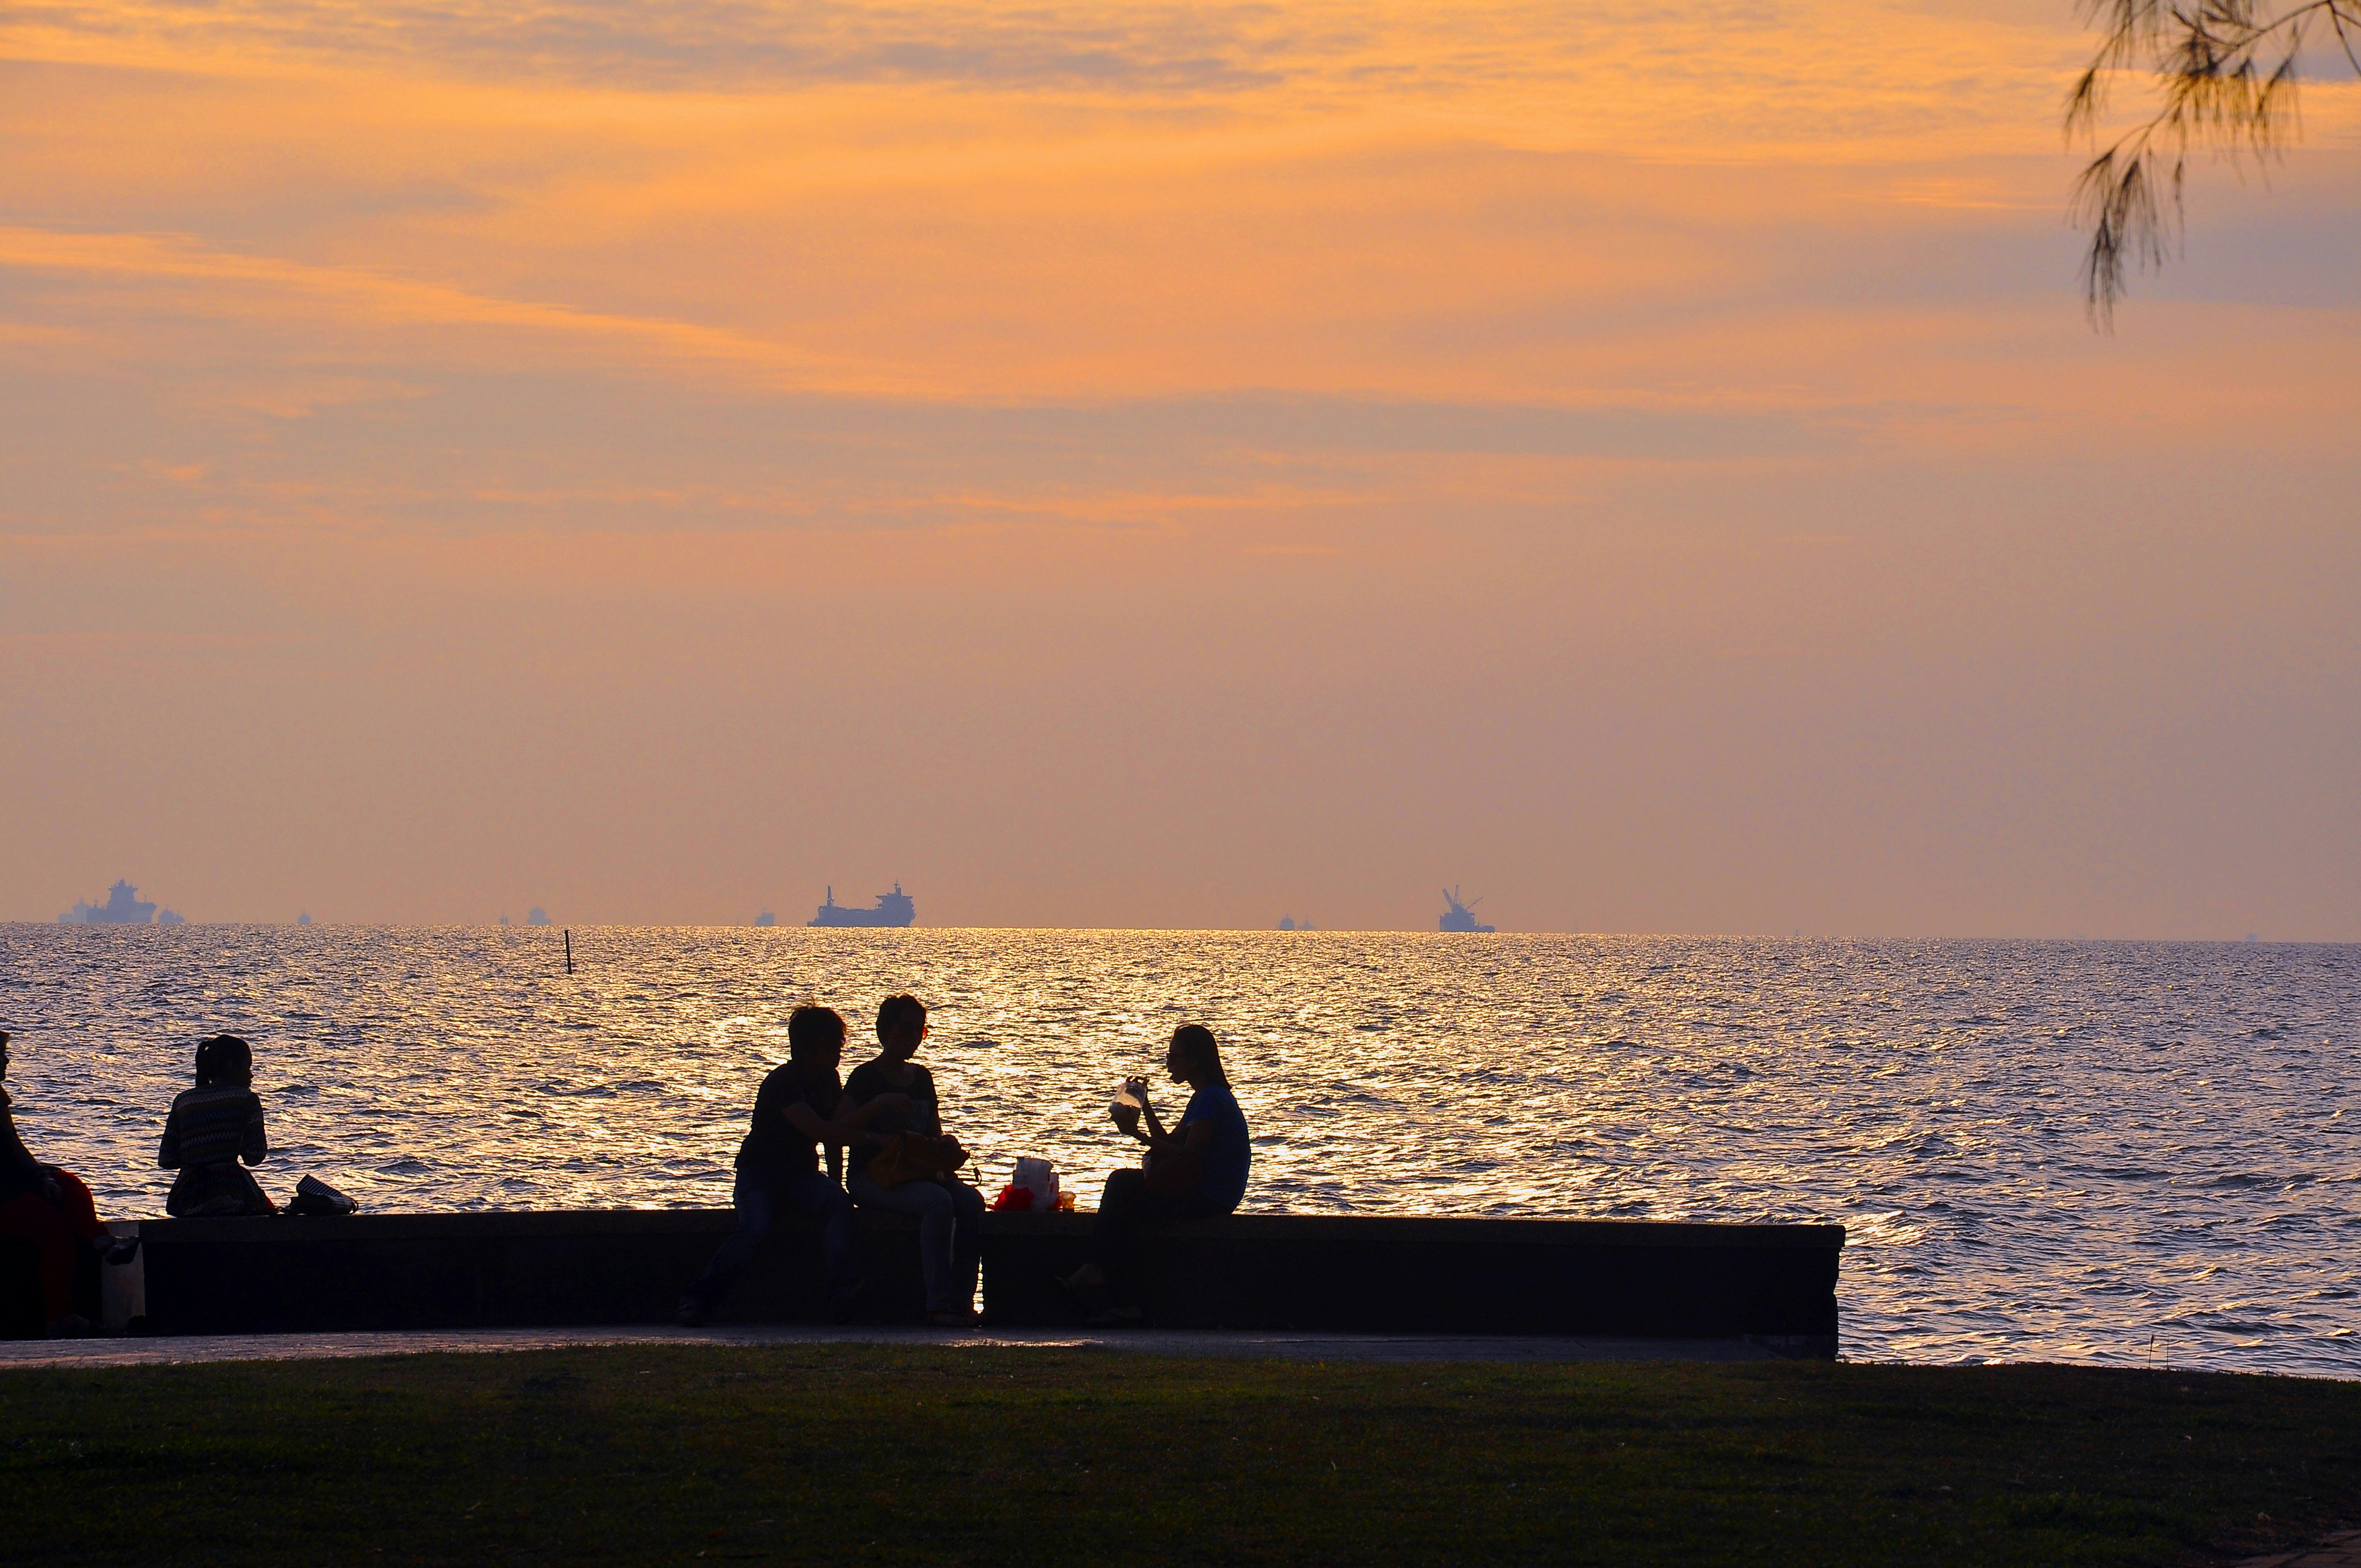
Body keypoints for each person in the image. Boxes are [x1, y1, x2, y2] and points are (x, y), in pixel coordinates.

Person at [678, 1005, 911, 1326]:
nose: (837, 1055)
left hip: (800, 1175)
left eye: (838, 1046)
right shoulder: (783, 1083)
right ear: (805, 1049)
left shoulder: (829, 1079)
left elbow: (831, 1134)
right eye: (829, 1047)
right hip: (759, 1174)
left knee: (837, 1205)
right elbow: (818, 1129)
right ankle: (698, 1299)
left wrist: (836, 1180)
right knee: (756, 1227)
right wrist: (873, 1137)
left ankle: (842, 1292)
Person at [1061, 1022, 1250, 1325]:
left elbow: (1190, 1154)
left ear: (1194, 1061)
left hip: (1211, 1195)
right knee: (1121, 1181)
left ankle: (1126, 1301)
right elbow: (1170, 1142)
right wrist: (1145, 1108)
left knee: (1130, 1213)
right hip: (1195, 1185)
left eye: (1174, 1057)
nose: (1168, 1064)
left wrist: (1140, 1135)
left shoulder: (1212, 1098)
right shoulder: (1202, 1097)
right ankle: (1096, 1267)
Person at [843, 994, 986, 1327]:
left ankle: (963, 1301)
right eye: (904, 1029)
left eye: (918, 1031)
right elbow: (839, 1128)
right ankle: (937, 1304)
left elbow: (932, 1135)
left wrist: (946, 1146)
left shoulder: (922, 1078)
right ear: (884, 1031)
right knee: (937, 1203)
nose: (911, 1038)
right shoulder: (865, 1078)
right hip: (875, 1176)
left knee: (971, 1202)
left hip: (917, 1172)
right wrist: (879, 1107)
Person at [0, 1031, 128, 1337]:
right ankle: (60, 1316)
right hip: (4, 1194)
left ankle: (101, 1240)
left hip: (10, 1183)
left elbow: (16, 1153)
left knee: (69, 1185)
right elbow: (14, 1153)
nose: (6, 1059)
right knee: (55, 1227)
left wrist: (43, 1176)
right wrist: (40, 1178)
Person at [159, 1035, 274, 1217]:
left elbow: (166, 1159)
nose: (251, 1074)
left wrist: (198, 1153)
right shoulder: (247, 1100)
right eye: (248, 1067)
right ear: (231, 1066)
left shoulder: (183, 1101)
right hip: (234, 1194)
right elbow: (255, 1156)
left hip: (187, 1198)